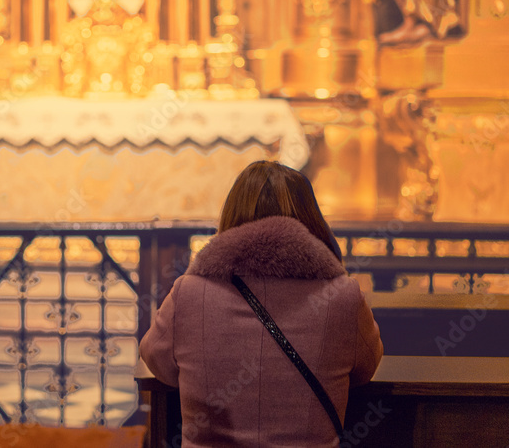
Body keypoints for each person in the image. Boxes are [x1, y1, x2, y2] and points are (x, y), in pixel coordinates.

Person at [139, 161, 383, 447]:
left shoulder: (189, 293)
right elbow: (365, 369)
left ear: (231, 216)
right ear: (312, 219)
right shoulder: (343, 296)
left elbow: (157, 361)